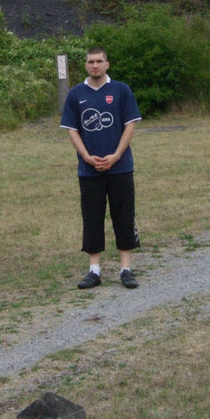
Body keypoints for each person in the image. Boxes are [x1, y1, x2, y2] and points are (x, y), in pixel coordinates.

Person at [59, 46, 142, 289]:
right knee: (92, 217)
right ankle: (94, 270)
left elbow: (130, 125)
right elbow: (72, 130)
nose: (95, 65)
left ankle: (126, 269)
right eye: (90, 62)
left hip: (120, 167)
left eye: (99, 61)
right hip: (89, 170)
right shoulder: (75, 95)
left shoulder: (121, 90)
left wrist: (116, 156)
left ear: (107, 64)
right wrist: (86, 156)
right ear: (86, 65)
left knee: (123, 215)